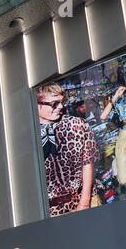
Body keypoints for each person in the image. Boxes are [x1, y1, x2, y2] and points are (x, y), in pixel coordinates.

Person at [36, 81, 97, 215]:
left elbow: (88, 163)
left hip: (83, 201)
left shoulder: (77, 124)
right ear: (37, 104)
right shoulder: (29, 137)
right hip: (49, 212)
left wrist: (84, 202)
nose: (61, 107)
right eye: (54, 103)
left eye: (62, 102)